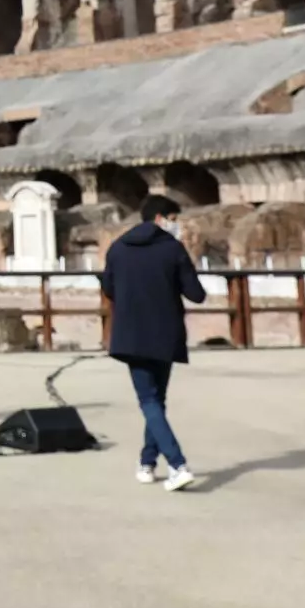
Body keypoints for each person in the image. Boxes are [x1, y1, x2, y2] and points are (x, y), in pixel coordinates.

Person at [102, 194, 206, 492]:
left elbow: (109, 288)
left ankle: (149, 462)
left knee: (151, 401)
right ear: (161, 218)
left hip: (131, 334)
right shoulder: (172, 248)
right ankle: (176, 463)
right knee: (154, 400)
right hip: (166, 333)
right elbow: (196, 294)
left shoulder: (118, 248)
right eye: (174, 219)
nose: (177, 225)